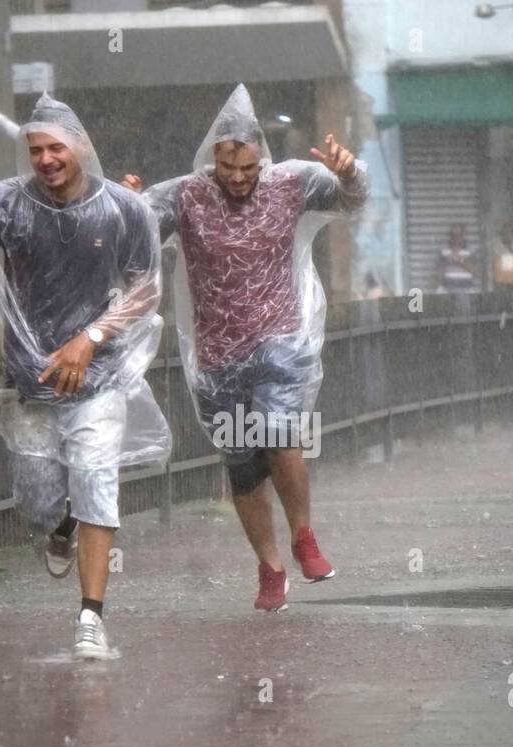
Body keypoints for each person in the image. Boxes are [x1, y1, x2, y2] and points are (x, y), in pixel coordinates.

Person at [0, 94, 168, 661]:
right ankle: (59, 525)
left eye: (56, 147)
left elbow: (147, 290)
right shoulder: (1, 206)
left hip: (100, 379)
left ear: (80, 146)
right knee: (36, 501)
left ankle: (91, 619)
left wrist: (91, 338)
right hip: (30, 380)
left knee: (96, 483)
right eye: (36, 149)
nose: (46, 158)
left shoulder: (123, 210)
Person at [122, 84, 369, 612]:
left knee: (280, 433)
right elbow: (129, 231)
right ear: (215, 157)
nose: (239, 179)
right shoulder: (186, 195)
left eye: (249, 168)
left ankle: (304, 538)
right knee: (243, 466)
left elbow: (352, 199)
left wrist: (349, 171)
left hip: (280, 340)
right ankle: (270, 567)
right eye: (230, 168)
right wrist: (126, 204)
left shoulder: (291, 184)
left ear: (263, 158)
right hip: (218, 358)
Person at [438, 224, 480, 293]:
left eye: (458, 234)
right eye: (453, 235)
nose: (456, 237)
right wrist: (447, 261)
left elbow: (477, 273)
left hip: (467, 289)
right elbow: (439, 274)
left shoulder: (471, 251)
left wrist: (460, 262)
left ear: (463, 236)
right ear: (450, 236)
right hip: (447, 289)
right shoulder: (443, 251)